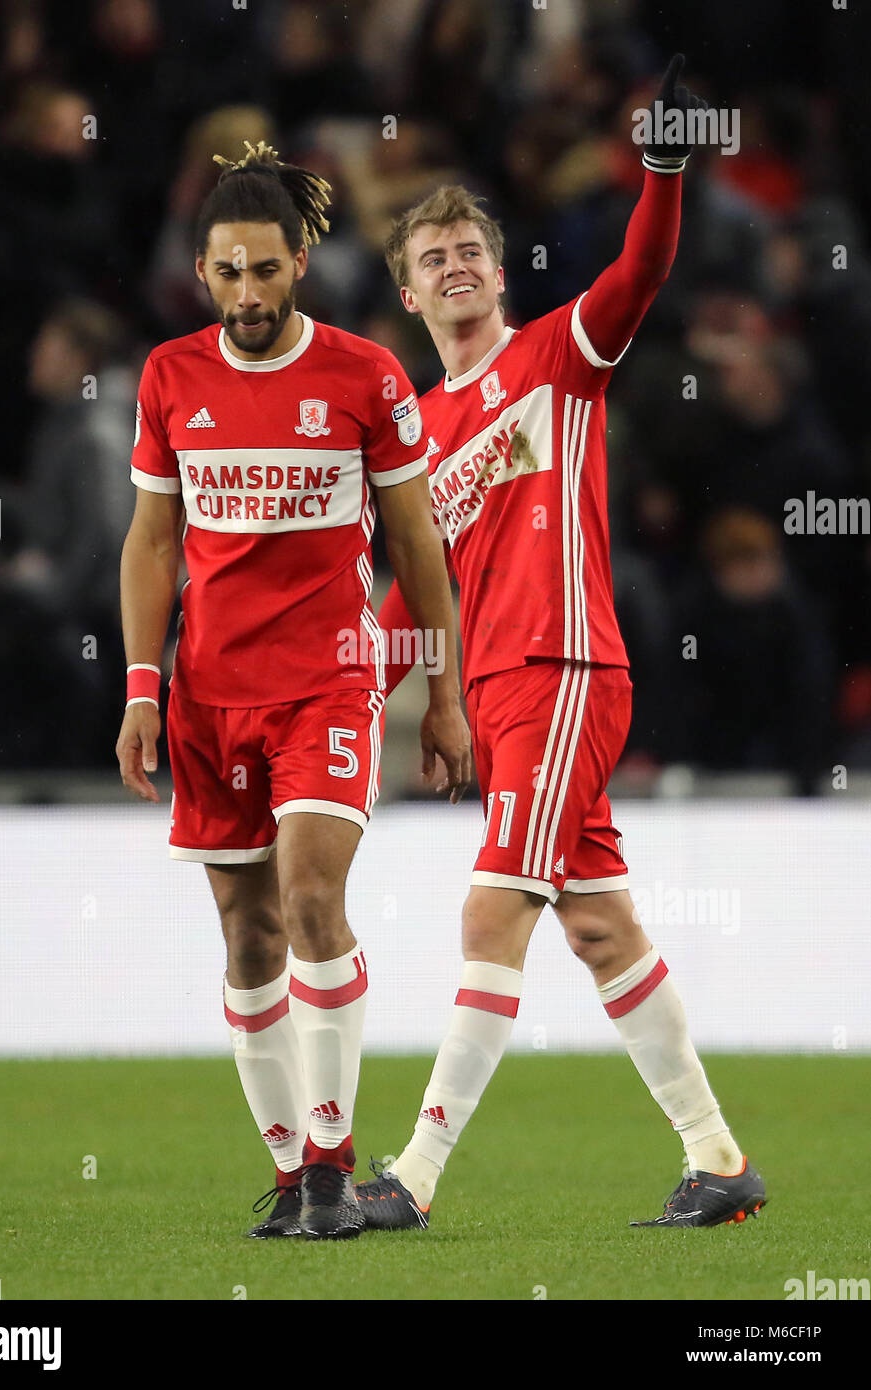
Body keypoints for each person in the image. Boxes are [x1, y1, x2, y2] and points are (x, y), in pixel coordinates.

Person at [357, 59, 767, 1230]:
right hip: (499, 695)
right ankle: (717, 1160)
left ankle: (414, 1179)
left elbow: (638, 275)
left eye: (470, 249)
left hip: (564, 673)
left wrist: (663, 170)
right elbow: (407, 604)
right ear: (409, 291)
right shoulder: (423, 435)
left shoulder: (554, 358)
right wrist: (334, 696)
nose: (456, 265)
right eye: (432, 256)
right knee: (597, 927)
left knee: (491, 917)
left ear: (495, 270)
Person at [115, 142, 471, 1240]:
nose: (248, 294)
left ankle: (330, 1162)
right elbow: (152, 538)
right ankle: (286, 1167)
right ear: (202, 271)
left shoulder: (364, 376)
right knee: (247, 936)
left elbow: (416, 543)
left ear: (301, 261)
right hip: (208, 693)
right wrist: (139, 688)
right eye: (227, 273)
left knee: (312, 895)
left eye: (265, 271)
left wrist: (444, 691)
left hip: (329, 681)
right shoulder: (171, 376)